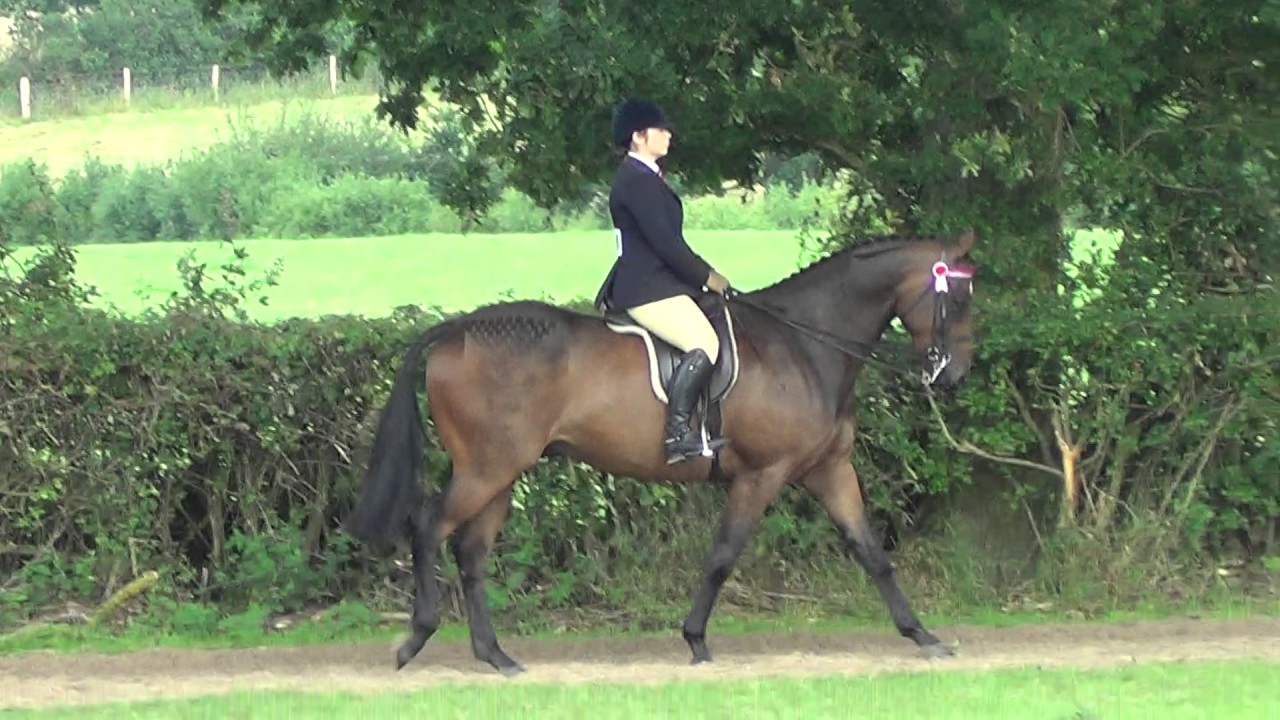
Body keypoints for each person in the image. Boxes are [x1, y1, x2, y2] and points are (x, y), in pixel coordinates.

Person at [593, 97, 733, 465]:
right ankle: (677, 434)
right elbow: (667, 244)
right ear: (638, 136)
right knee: (704, 342)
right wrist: (708, 277)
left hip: (661, 283)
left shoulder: (646, 177)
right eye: (660, 130)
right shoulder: (636, 182)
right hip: (647, 289)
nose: (669, 135)